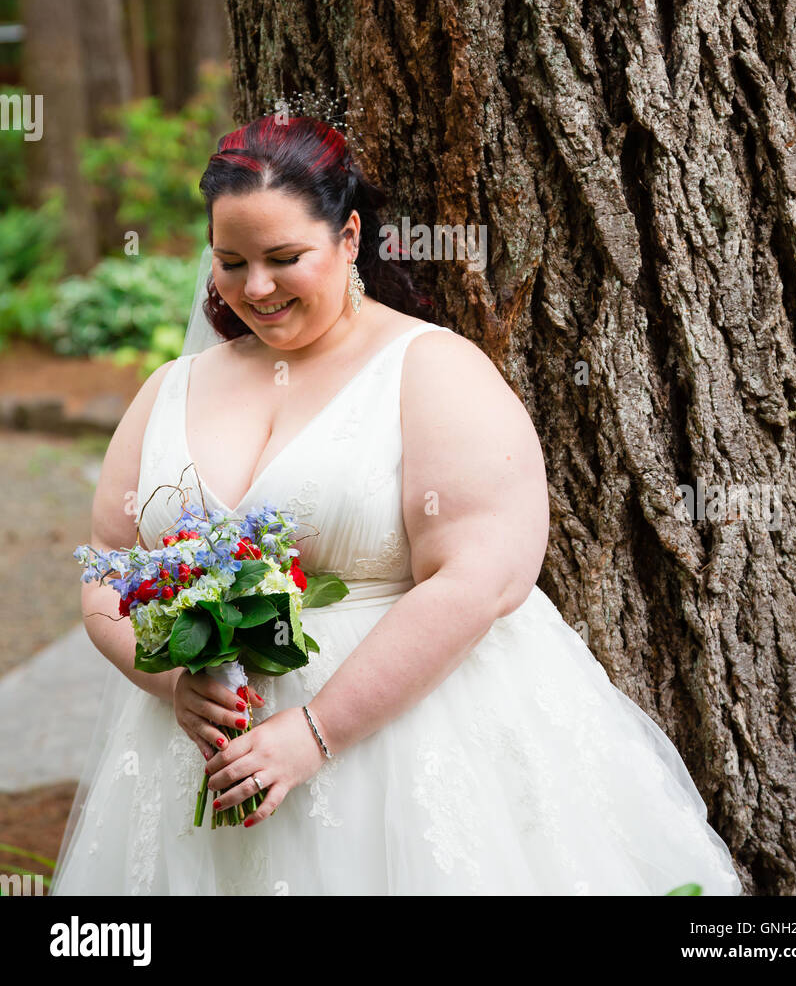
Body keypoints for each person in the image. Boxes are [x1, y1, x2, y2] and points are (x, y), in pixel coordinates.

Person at [51, 113, 743, 896]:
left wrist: (315, 734)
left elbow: (481, 579)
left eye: (284, 258)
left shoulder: (432, 370)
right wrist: (173, 681)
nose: (257, 288)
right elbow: (109, 568)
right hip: (203, 764)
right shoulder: (170, 389)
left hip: (403, 751)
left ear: (348, 239)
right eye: (232, 262)